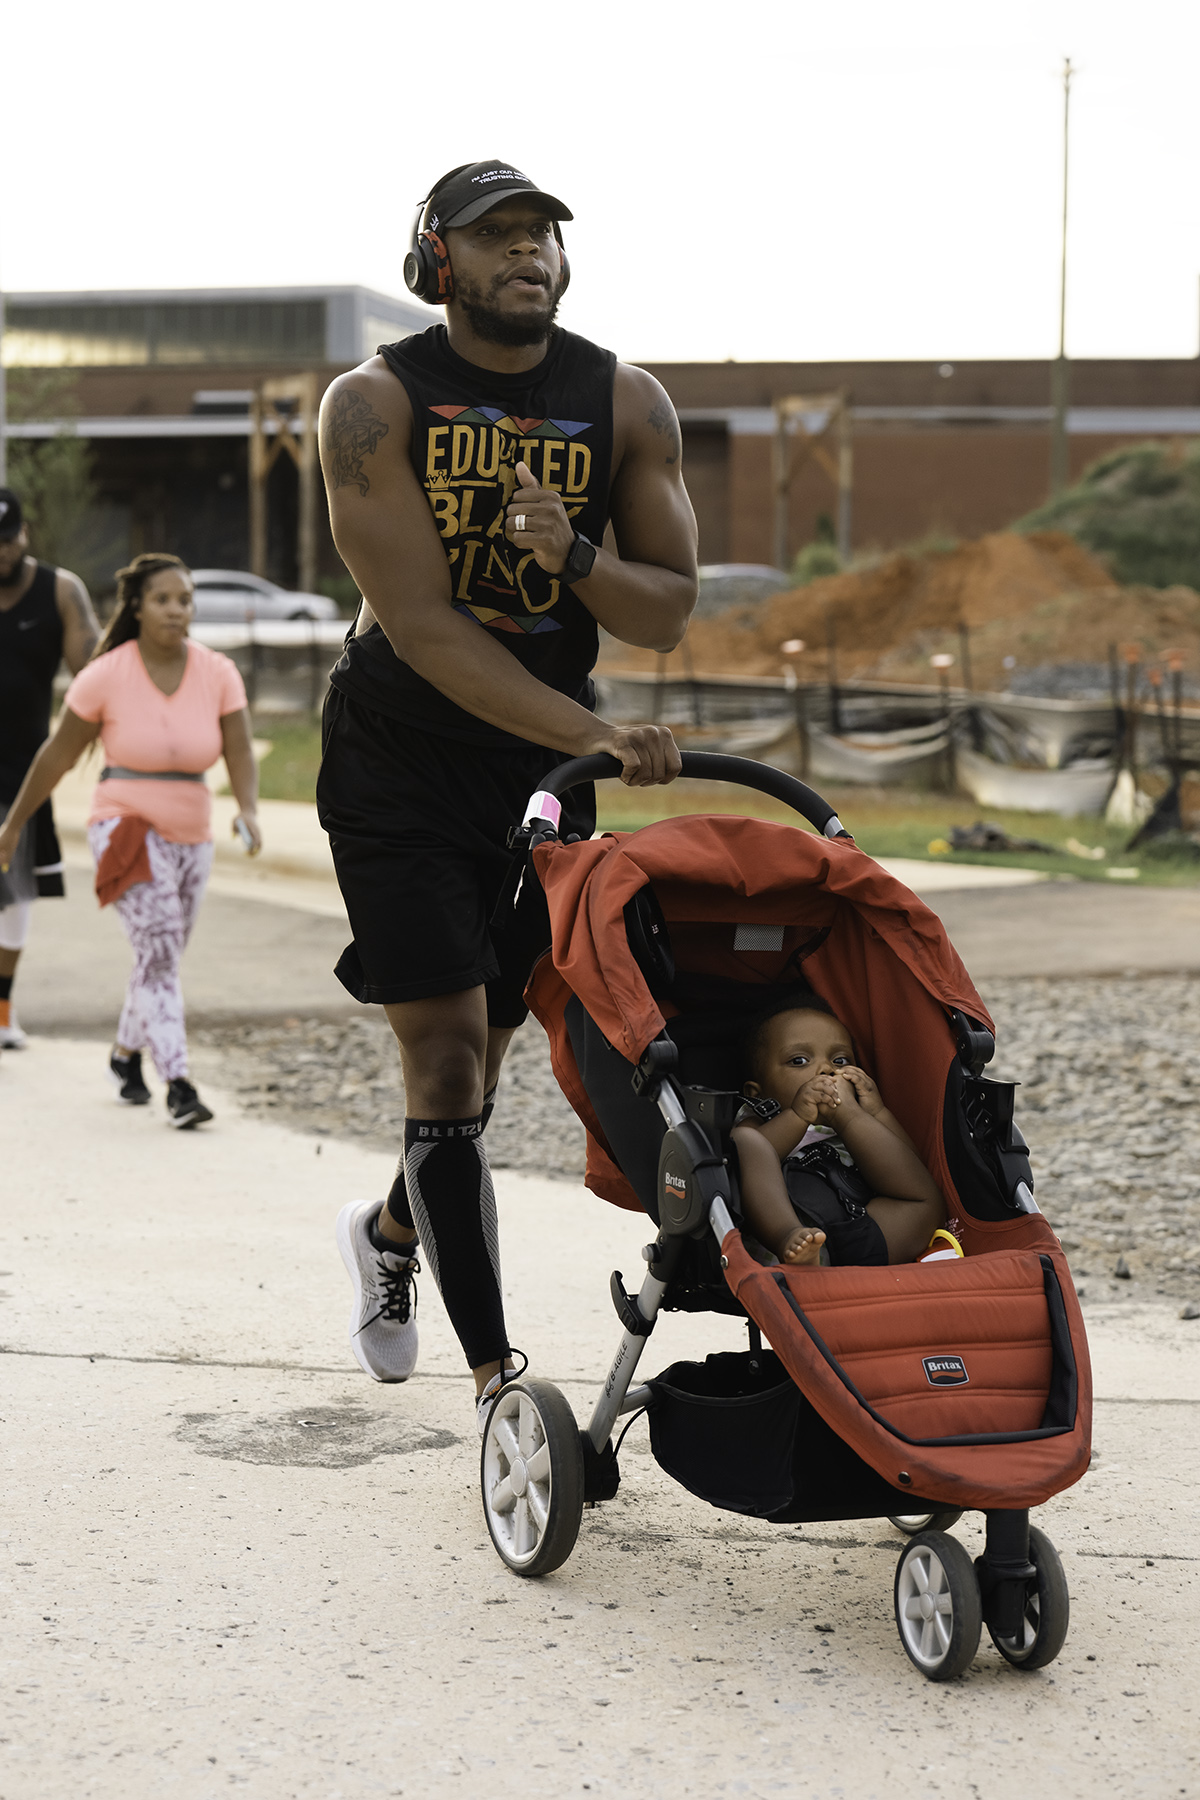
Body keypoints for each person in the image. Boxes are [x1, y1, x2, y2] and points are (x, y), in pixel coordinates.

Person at [319, 159, 697, 1423]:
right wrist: (595, 731)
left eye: (540, 232)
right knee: (438, 1064)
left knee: (480, 1059)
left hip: (540, 772)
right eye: (496, 236)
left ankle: (388, 1226)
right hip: (400, 758)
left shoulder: (623, 399)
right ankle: (498, 1391)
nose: (525, 252)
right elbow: (425, 627)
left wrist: (572, 552)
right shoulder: (373, 404)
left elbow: (667, 606)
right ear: (438, 257)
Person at [0, 553, 262, 1126]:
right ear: (138, 607)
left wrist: (247, 809)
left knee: (158, 955)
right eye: (164, 599)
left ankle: (124, 1056)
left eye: (185, 599)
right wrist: (14, 822)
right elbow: (58, 755)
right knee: (162, 947)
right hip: (123, 824)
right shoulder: (107, 674)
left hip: (192, 831)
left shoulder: (217, 672)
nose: (176, 610)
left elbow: (239, 749)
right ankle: (179, 1083)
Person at [730, 986, 950, 1268]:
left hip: (867, 1231)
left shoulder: (861, 1116)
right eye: (799, 1061)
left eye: (840, 1060)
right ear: (756, 1091)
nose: (826, 1070)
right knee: (744, 1143)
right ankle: (790, 1239)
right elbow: (744, 1163)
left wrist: (869, 1113)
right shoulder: (760, 1115)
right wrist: (797, 1116)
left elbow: (912, 1174)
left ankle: (831, 1258)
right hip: (788, 1232)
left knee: (927, 1202)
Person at [0, 486, 100, 1049]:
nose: (1, 553)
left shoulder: (60, 591)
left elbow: (94, 675)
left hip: (24, 766)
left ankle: (2, 1011)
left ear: (24, 534)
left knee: (14, 893)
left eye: (8, 541)